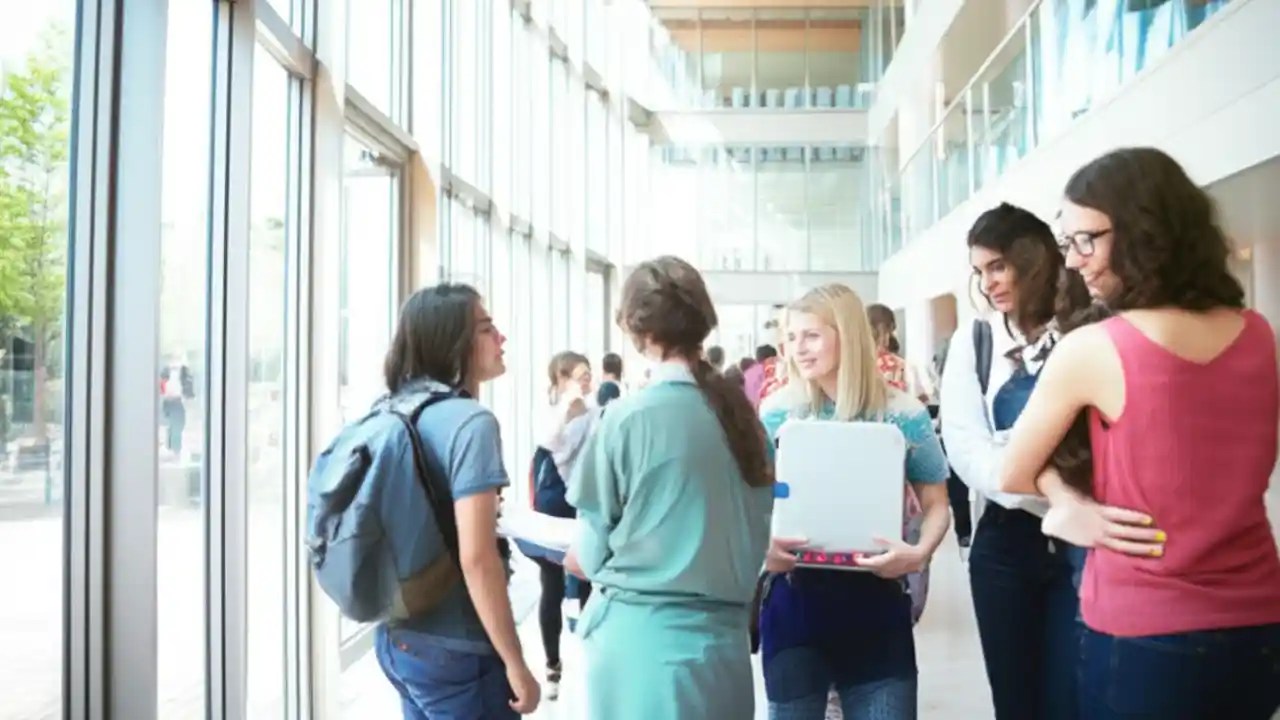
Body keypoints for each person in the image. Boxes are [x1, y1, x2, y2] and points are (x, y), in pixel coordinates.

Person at [997, 147, 1280, 718]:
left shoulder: (1096, 348)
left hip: (1146, 628)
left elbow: (1013, 470)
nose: (1072, 261)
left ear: (1143, 232)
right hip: (1260, 623)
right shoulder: (1259, 334)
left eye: (1086, 240)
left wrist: (1065, 501)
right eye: (1066, 241)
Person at [564, 256, 774, 719]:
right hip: (723, 653)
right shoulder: (745, 423)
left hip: (642, 652)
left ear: (640, 333)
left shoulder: (626, 419)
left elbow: (590, 553)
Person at [760, 283, 951, 720]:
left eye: (810, 335)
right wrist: (763, 546)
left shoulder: (904, 414)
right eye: (791, 338)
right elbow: (752, 501)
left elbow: (937, 502)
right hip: (794, 601)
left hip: (877, 603)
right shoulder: (776, 413)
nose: (798, 349)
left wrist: (919, 553)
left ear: (846, 333)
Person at [939, 202, 1091, 720]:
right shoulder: (976, 338)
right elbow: (964, 445)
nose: (989, 283)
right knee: (1017, 704)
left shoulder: (1084, 329)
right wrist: (1038, 485)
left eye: (998, 266)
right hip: (1007, 540)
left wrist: (1013, 449)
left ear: (1035, 259)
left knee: (1074, 697)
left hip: (1083, 540)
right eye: (980, 271)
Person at [373, 283, 540, 719]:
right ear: (453, 343)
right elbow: (477, 558)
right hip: (458, 650)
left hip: (400, 640)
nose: (501, 338)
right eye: (487, 329)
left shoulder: (393, 408)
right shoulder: (471, 423)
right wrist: (516, 662)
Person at [531, 351, 596, 700]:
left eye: (589, 375)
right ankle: (552, 664)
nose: (587, 382)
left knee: (585, 579)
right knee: (551, 586)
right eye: (580, 376)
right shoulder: (548, 414)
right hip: (552, 504)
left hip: (583, 506)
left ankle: (589, 656)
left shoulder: (595, 414)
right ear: (561, 380)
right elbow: (548, 441)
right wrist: (567, 412)